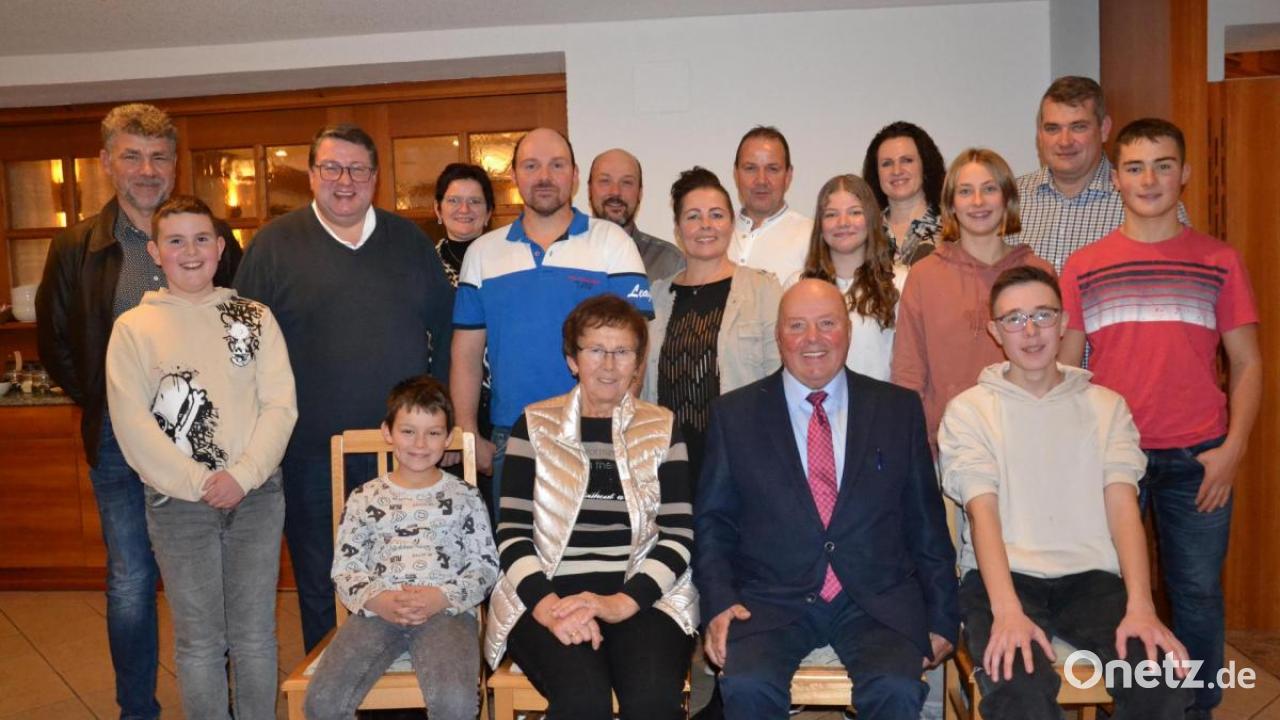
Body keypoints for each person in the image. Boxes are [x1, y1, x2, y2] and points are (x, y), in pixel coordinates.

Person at [35, 103, 242, 720]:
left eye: (158, 157)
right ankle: (137, 710)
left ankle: (214, 702)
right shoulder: (77, 246)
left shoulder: (217, 237)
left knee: (213, 581)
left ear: (175, 164)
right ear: (107, 163)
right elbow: (57, 345)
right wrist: (117, 408)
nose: (147, 170)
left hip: (202, 444)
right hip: (117, 448)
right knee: (130, 581)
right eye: (132, 156)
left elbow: (238, 335)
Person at [1059, 118, 1262, 719]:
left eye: (1164, 164)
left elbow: (1249, 364)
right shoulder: (1083, 265)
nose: (1150, 179)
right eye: (1135, 166)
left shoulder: (1219, 260)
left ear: (1186, 174)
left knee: (1195, 594)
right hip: (1113, 458)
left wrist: (1233, 451)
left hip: (1200, 457)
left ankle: (1195, 710)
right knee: (1114, 594)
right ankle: (1136, 704)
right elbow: (1068, 372)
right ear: (1116, 177)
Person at [233, 123, 454, 652]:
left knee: (406, 576)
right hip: (309, 454)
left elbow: (447, 335)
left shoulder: (409, 243)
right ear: (312, 176)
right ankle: (334, 697)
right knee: (323, 581)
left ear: (375, 178)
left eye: (357, 169)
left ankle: (399, 705)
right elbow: (239, 348)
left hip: (401, 454)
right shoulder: (272, 246)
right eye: (331, 167)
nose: (344, 180)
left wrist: (443, 428)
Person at [695, 279, 959, 719]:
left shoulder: (896, 409)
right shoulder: (734, 414)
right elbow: (713, 524)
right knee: (746, 685)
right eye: (797, 325)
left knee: (896, 688)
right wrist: (718, 602)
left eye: (827, 324)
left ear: (848, 333)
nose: (812, 339)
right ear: (778, 336)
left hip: (875, 599)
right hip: (771, 598)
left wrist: (943, 617)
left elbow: (925, 522)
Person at [939, 265, 1191, 719]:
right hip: (1004, 578)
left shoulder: (1105, 407)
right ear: (996, 331)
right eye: (1014, 319)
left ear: (1063, 322)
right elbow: (982, 516)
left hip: (1092, 580)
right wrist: (1007, 610)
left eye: (1043, 315)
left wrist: (1142, 605)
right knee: (1020, 691)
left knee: (1163, 685)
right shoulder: (970, 410)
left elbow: (1124, 512)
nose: (1030, 331)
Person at [105, 195, 297, 720]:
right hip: (177, 503)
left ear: (219, 246)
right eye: (176, 240)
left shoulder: (253, 318)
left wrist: (241, 475)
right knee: (199, 642)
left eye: (201, 238)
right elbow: (133, 423)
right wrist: (199, 481)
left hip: (255, 496)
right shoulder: (134, 329)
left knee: (256, 634)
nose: (190, 251)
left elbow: (279, 405)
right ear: (155, 251)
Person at [484, 294, 696, 720]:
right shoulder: (535, 424)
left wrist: (620, 603)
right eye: (596, 350)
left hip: (642, 598)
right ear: (572, 359)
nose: (609, 364)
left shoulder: (664, 426)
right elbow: (511, 534)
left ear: (638, 363)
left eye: (622, 352)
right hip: (547, 595)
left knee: (654, 702)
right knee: (583, 702)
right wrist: (548, 608)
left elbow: (678, 537)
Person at [450, 128, 652, 510]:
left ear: (574, 176)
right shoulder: (481, 254)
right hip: (513, 436)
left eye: (556, 165)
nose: (544, 176)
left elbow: (636, 344)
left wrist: (617, 422)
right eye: (532, 165)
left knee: (597, 559)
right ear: (514, 176)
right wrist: (468, 431)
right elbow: (466, 354)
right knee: (516, 560)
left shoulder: (612, 243)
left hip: (596, 433)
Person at [305, 376, 498, 720]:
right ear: (387, 431)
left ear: (449, 436)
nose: (420, 444)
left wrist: (441, 597)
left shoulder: (465, 497)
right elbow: (346, 568)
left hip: (446, 612)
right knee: (323, 702)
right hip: (376, 612)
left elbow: (484, 566)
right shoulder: (364, 498)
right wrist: (378, 599)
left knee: (456, 703)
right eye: (408, 431)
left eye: (434, 432)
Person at [891, 148, 1054, 449]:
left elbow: (1051, 367)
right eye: (966, 191)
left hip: (1028, 441)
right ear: (951, 204)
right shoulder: (925, 276)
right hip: (948, 447)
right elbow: (908, 374)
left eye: (989, 189)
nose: (978, 202)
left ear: (1007, 198)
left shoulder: (1037, 273)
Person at [643, 166, 781, 482]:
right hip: (668, 466)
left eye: (716, 215)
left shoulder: (763, 290)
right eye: (693, 216)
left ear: (731, 224)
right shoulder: (657, 296)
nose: (706, 225)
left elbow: (779, 383)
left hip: (741, 463)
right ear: (678, 229)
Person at [1007, 76, 1186, 273]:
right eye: (1052, 128)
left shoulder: (1146, 200)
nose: (1064, 141)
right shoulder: (1009, 198)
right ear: (1039, 135)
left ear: (1104, 129)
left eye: (1078, 127)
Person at [789, 173, 907, 381]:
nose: (843, 223)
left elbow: (909, 365)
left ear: (871, 220)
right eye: (831, 214)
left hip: (879, 406)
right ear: (820, 225)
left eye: (854, 212)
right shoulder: (797, 285)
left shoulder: (901, 282)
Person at [728, 126, 813, 282]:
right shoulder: (715, 235)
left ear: (788, 175)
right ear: (736, 173)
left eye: (772, 169)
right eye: (750, 168)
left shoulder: (812, 237)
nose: (761, 180)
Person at [589, 147, 685, 282]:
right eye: (605, 181)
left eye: (627, 182)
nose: (615, 191)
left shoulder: (669, 262)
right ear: (590, 189)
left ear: (640, 193)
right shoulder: (565, 254)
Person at [862, 121, 947, 265]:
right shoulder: (864, 232)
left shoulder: (953, 229)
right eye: (887, 163)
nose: (897, 171)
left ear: (925, 165)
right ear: (876, 173)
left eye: (907, 161)